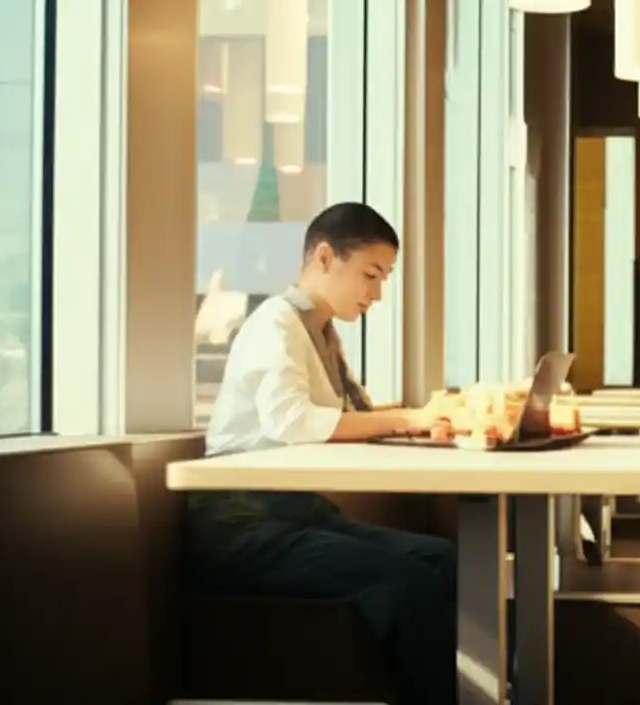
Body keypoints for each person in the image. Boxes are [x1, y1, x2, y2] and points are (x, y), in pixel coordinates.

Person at [185, 202, 458, 705]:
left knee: (443, 558)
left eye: (385, 278)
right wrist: (408, 419)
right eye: (370, 275)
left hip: (295, 512)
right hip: (241, 524)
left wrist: (423, 416)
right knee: (412, 579)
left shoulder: (319, 330)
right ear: (325, 256)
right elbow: (291, 422)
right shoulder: (276, 323)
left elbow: (348, 413)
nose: (376, 293)